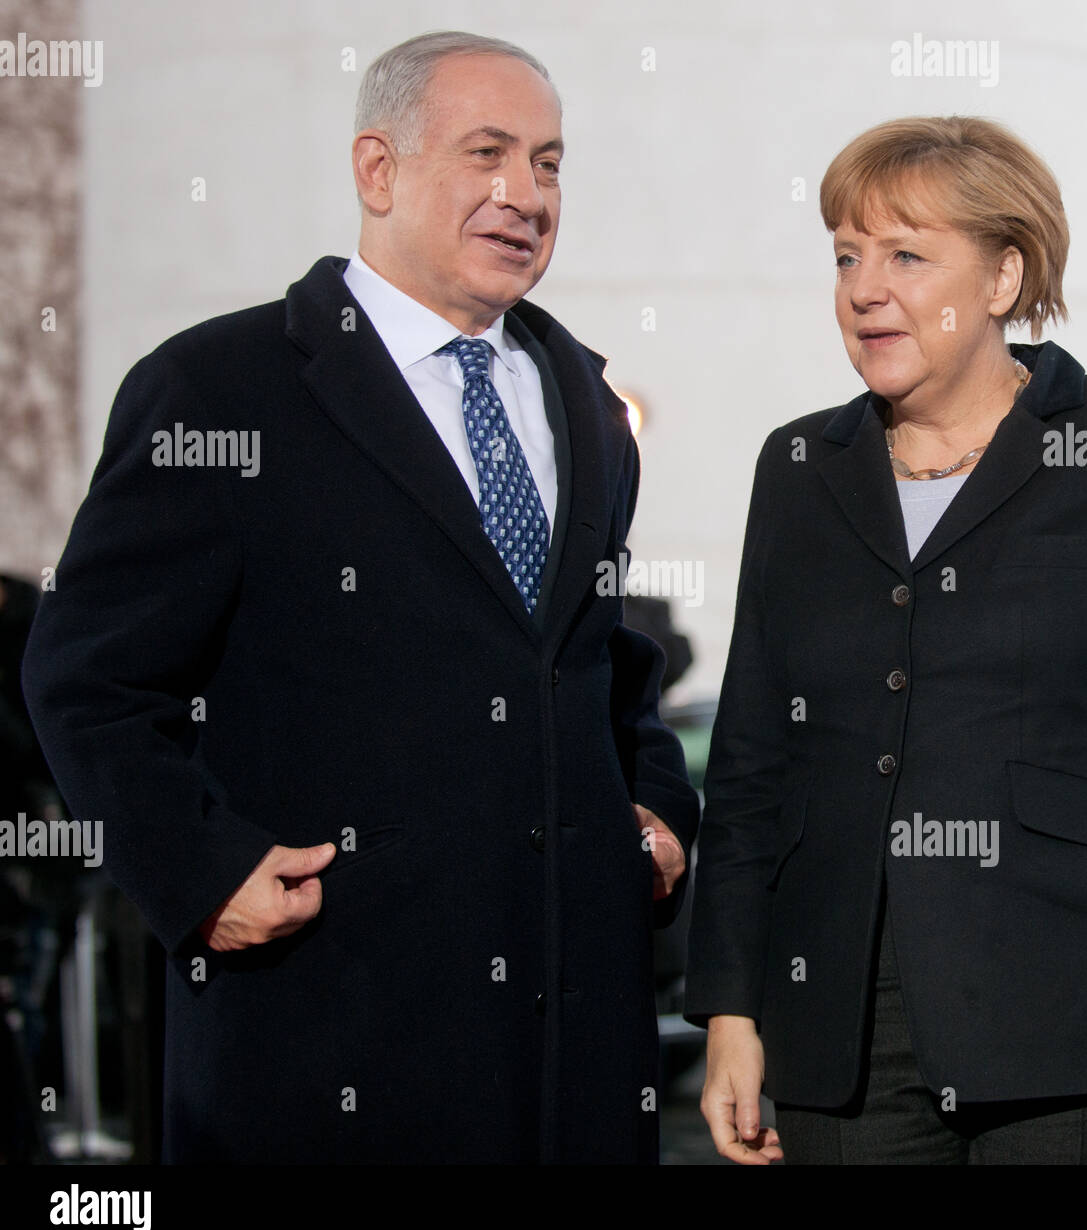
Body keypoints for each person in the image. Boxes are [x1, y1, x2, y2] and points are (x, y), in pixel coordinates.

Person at [22, 30, 698, 1165]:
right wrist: (197, 871)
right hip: (325, 1039)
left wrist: (659, 806)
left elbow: (593, 652)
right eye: (486, 153)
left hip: (572, 1061)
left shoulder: (582, 395)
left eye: (547, 162)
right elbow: (85, 677)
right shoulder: (219, 387)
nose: (522, 194)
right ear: (376, 171)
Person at [684, 116, 1087, 1165]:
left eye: (907, 255)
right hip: (842, 1036)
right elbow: (748, 768)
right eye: (845, 256)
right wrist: (730, 1010)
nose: (865, 287)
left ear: (1003, 278)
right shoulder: (795, 468)